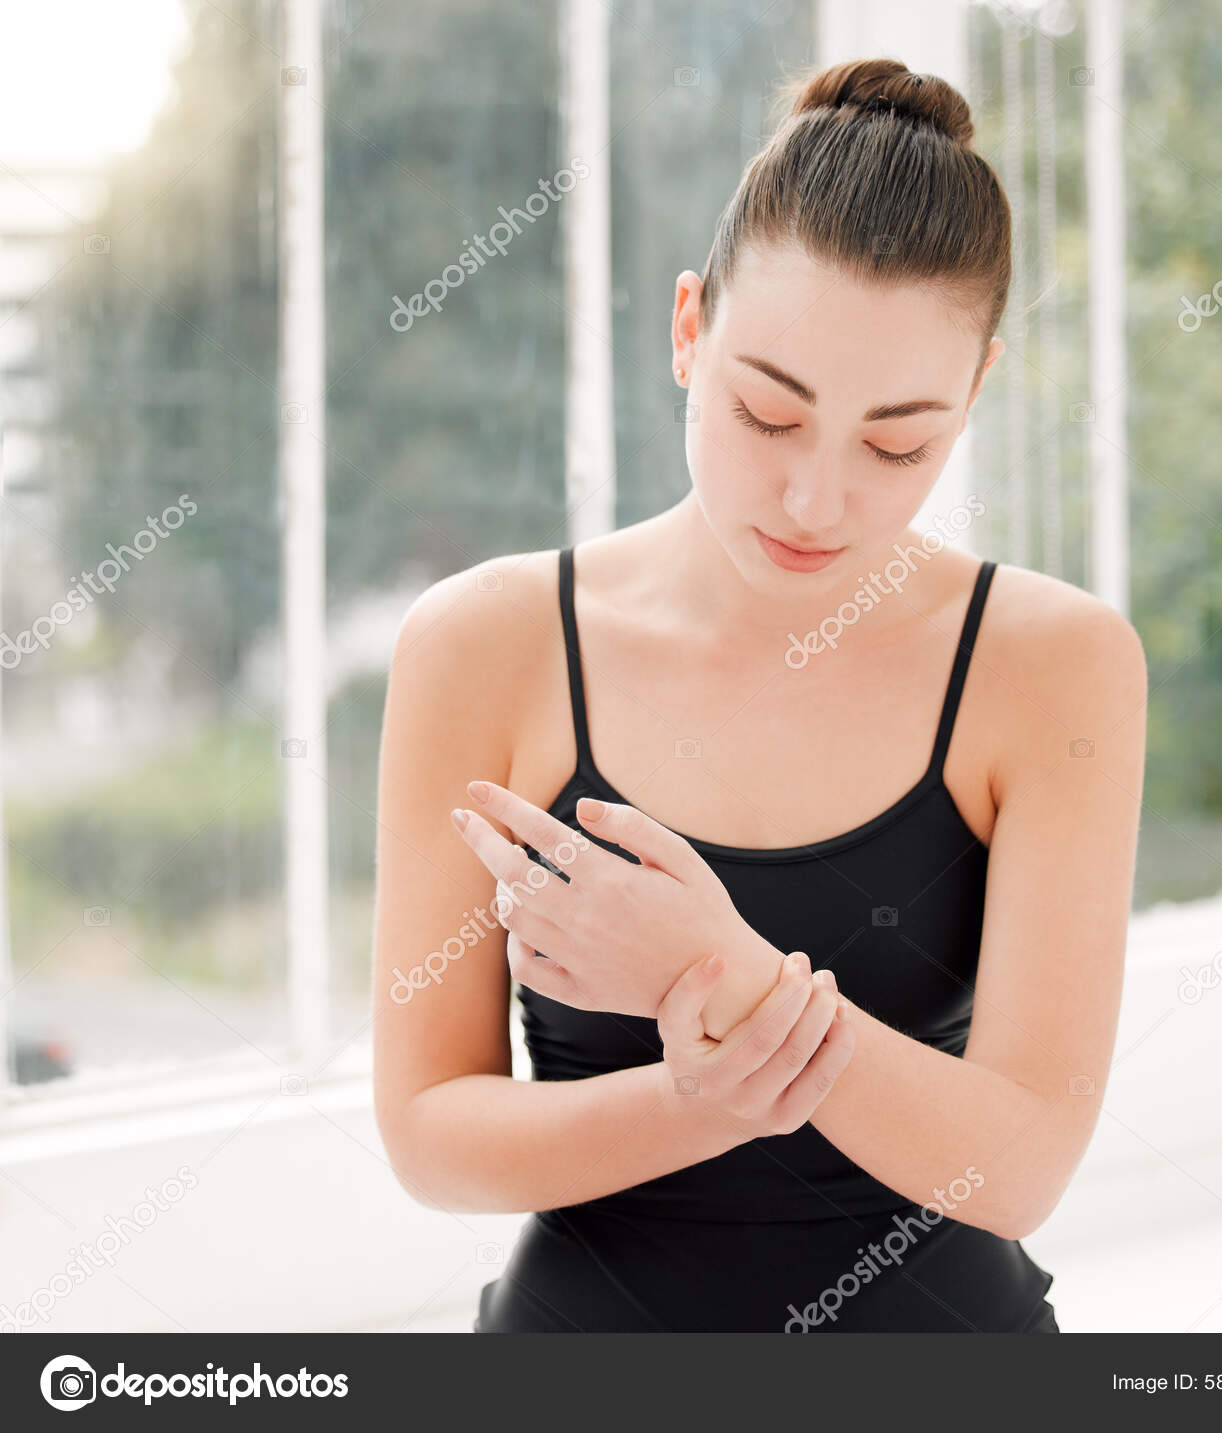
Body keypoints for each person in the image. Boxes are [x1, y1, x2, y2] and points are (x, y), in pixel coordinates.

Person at [371, 56, 1145, 1332]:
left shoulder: (1052, 661)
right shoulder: (487, 643)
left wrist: (714, 969)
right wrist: (698, 1098)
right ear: (689, 328)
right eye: (766, 412)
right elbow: (428, 1130)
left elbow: (1018, 1166)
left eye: (899, 442)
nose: (815, 500)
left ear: (975, 394)